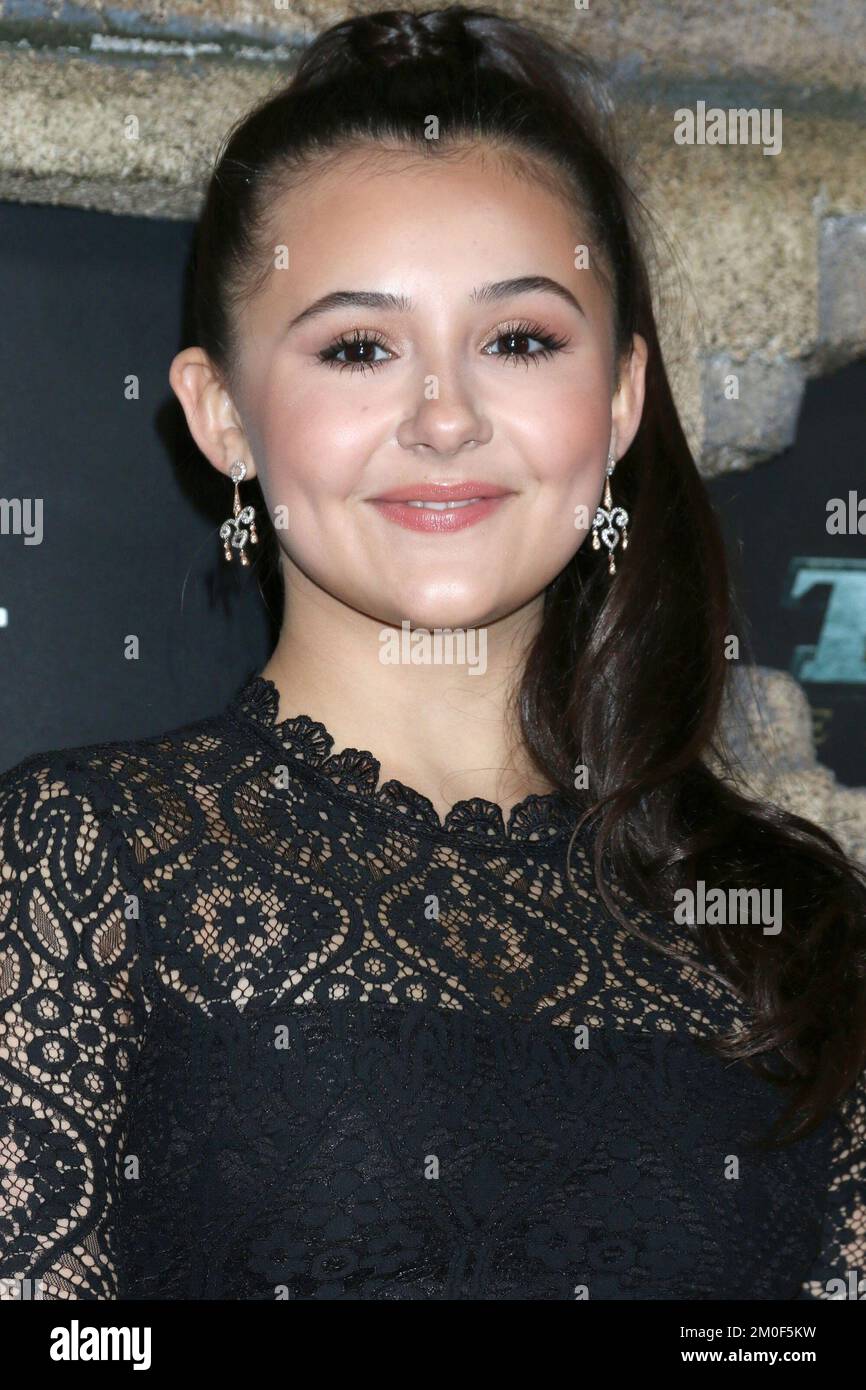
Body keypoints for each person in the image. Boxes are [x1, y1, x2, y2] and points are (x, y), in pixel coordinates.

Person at [1, 4, 864, 1302]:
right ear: (222, 414)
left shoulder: (789, 925)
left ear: (619, 401)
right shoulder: (82, 865)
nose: (445, 417)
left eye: (518, 339)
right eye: (358, 347)